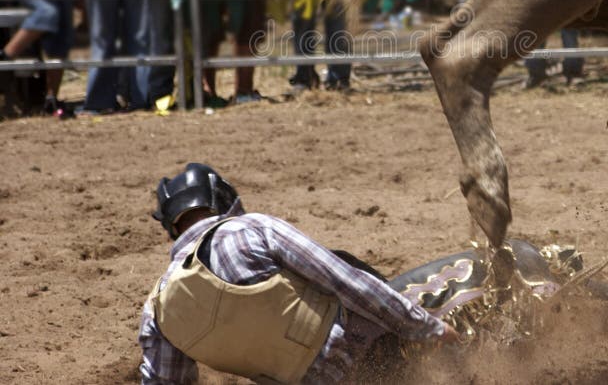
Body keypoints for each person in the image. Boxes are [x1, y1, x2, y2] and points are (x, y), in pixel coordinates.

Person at [139, 162, 457, 384]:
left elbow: (164, 380)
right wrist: (427, 329)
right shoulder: (251, 229)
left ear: (172, 227)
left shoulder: (157, 309)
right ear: (222, 199)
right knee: (344, 261)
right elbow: (344, 280)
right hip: (366, 356)